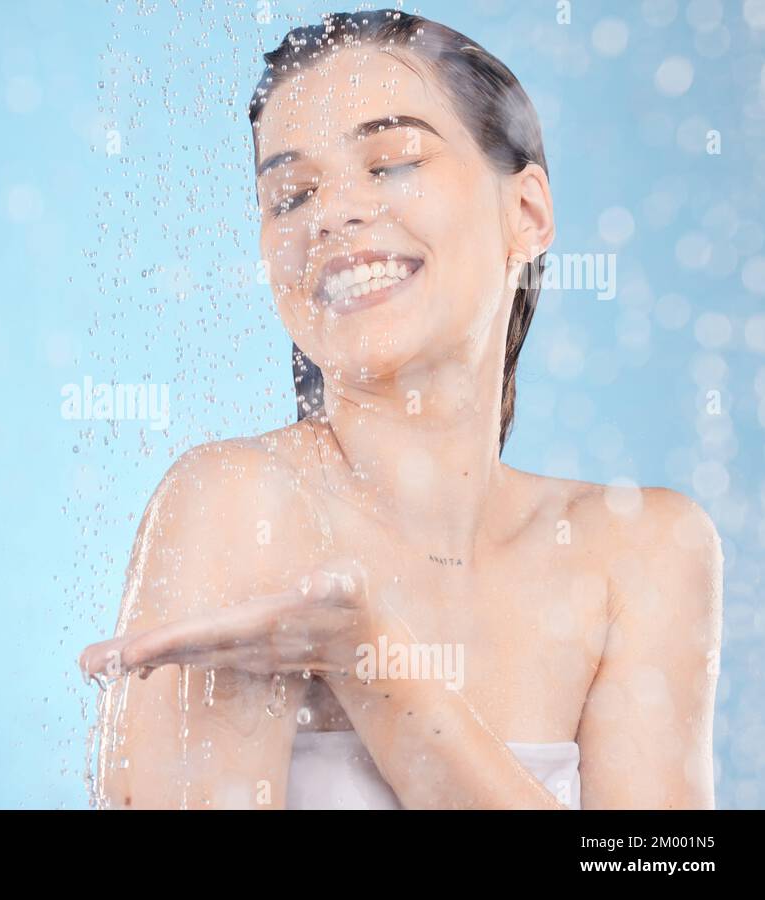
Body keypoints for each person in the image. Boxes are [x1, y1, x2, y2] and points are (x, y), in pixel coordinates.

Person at [78, 9, 723, 810]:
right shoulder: (243, 507)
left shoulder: (640, 551)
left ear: (526, 214)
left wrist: (369, 662)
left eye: (390, 162)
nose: (333, 214)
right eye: (291, 194)